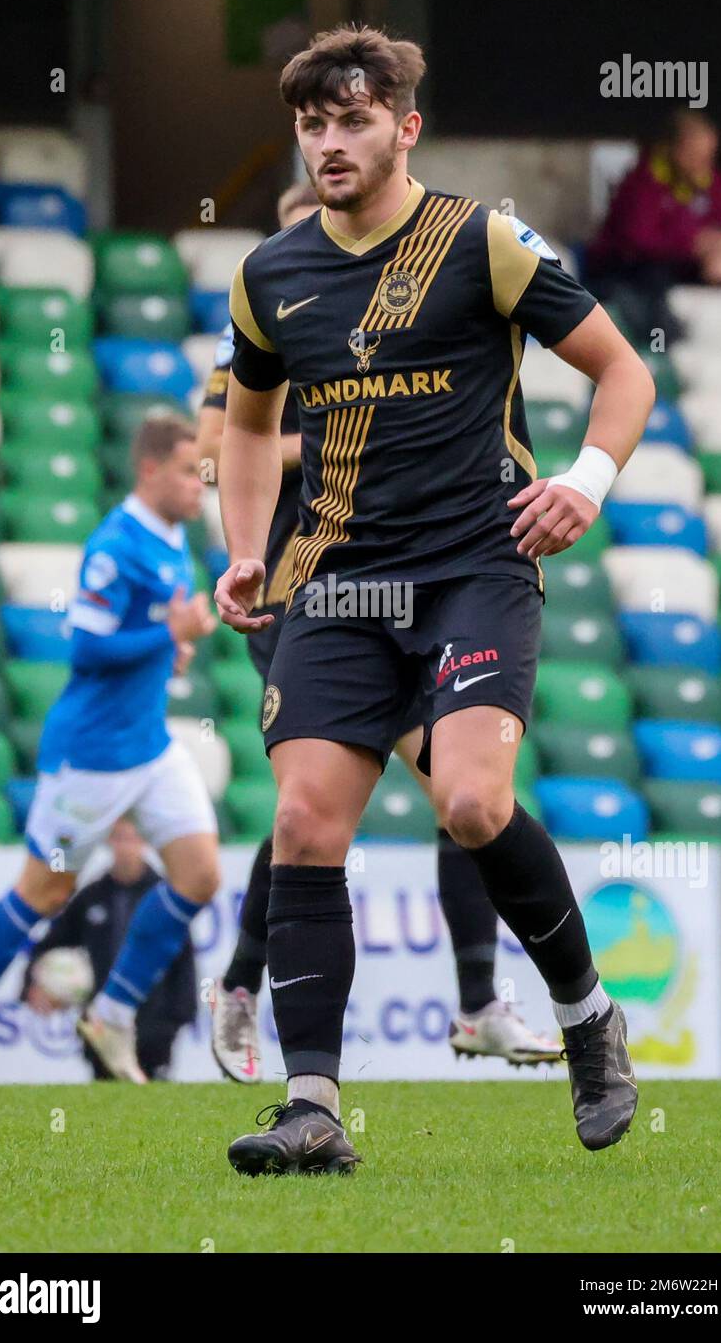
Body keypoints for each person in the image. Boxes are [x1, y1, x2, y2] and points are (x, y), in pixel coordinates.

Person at [214, 24, 654, 1176]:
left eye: (352, 120)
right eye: (313, 125)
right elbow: (249, 421)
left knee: (468, 802)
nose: (329, 143)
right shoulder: (271, 275)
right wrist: (244, 550)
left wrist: (586, 481)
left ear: (405, 127)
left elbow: (625, 370)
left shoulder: (484, 241)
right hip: (336, 580)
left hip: (474, 566)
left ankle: (587, 1019)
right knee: (305, 822)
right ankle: (311, 1106)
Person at [198, 184, 560, 1084]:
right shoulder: (271, 303)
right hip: (309, 584)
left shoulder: (432, 276)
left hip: (419, 573)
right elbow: (220, 439)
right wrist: (332, 408)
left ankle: (475, 1002)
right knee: (318, 807)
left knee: (460, 793)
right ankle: (246, 986)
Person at [0, 416, 219, 1086]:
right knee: (43, 892)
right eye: (189, 471)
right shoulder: (114, 545)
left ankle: (114, 1010)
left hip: (150, 748)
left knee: (199, 874)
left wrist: (173, 648)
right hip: (91, 756)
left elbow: (149, 639)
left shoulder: (175, 537)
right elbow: (89, 647)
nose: (200, 484)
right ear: (150, 469)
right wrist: (170, 633)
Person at [23, 818, 197, 1081]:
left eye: (132, 838)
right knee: (105, 1100)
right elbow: (50, 943)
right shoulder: (91, 896)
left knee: (155, 1099)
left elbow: (183, 958)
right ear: (108, 841)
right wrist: (32, 984)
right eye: (119, 838)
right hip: (100, 1026)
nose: (125, 847)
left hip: (153, 1025)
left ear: (145, 841)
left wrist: (179, 1016)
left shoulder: (164, 895)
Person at [588, 110, 721, 340]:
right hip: (634, 269)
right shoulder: (643, 181)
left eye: (707, 156)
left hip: (691, 265)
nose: (701, 164)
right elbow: (639, 241)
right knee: (651, 278)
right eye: (694, 154)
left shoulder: (713, 181)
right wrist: (693, 245)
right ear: (675, 149)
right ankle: (662, 347)